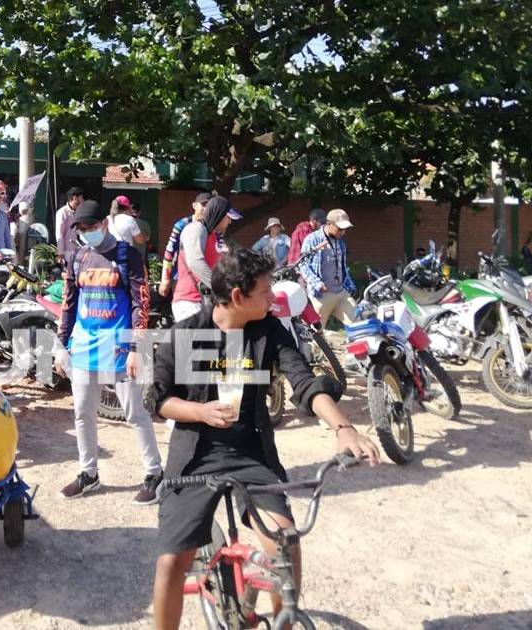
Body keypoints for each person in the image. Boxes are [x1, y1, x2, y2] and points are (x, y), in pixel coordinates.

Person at [150, 248, 380, 630]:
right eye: (266, 290)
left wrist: (344, 428)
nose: (274, 297)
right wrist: (200, 412)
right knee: (172, 562)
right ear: (238, 297)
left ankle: (283, 624)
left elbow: (305, 383)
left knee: (285, 542)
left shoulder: (269, 331)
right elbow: (156, 400)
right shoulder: (185, 333)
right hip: (194, 457)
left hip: (251, 455)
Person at [53, 199, 164, 504]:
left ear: (104, 223)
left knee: (135, 413)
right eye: (81, 229)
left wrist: (134, 348)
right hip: (84, 348)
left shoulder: (127, 256)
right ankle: (88, 474)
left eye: (90, 227)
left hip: (119, 348)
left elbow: (142, 303)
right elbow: (69, 303)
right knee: (82, 414)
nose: (87, 232)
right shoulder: (78, 257)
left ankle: (155, 473)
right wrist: (61, 343)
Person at [171, 196, 240, 323]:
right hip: (191, 302)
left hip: (203, 301)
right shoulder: (196, 229)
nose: (229, 222)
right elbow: (195, 262)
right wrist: (222, 289)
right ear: (218, 215)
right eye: (228, 217)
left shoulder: (211, 235)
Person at [158, 192, 227, 297]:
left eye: (209, 206)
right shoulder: (182, 225)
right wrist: (165, 279)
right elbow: (169, 252)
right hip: (181, 276)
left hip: (204, 277)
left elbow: (221, 249)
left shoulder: (215, 229)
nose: (206, 209)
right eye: (203, 205)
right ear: (194, 205)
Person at [298, 209, 358, 327]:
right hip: (321, 296)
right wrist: (317, 283)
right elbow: (302, 264)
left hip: (341, 292)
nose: (343, 232)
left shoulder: (340, 242)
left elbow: (342, 266)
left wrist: (350, 285)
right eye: (340, 229)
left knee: (358, 324)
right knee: (317, 335)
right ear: (329, 224)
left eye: (345, 229)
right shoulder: (312, 239)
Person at [56, 187, 85, 261]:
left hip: (81, 251)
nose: (83, 200)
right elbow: (59, 234)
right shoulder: (62, 212)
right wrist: (61, 253)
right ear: (75, 198)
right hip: (68, 252)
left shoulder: (80, 211)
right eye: (81, 198)